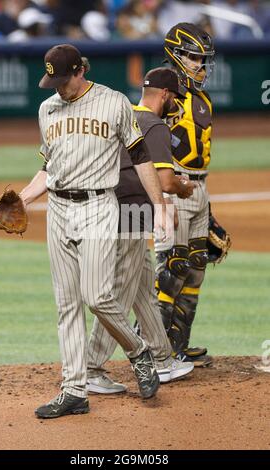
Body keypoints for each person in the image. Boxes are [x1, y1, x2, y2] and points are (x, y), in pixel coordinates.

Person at [19, 44, 173, 419]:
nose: (56, 87)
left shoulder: (113, 102)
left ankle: (138, 353)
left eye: (61, 80)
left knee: (97, 294)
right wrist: (23, 198)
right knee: (67, 303)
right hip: (58, 208)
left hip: (98, 206)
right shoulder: (48, 109)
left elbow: (139, 157)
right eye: (51, 80)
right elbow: (48, 167)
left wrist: (161, 207)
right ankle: (74, 389)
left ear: (78, 71)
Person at [87, 67, 196, 394]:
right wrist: (182, 189)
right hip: (132, 212)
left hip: (108, 206)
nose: (176, 101)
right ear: (165, 95)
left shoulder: (122, 115)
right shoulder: (155, 125)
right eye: (174, 96)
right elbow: (163, 180)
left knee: (142, 290)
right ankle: (91, 367)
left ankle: (162, 360)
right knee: (120, 290)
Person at [155, 22, 215, 367]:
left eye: (204, 59)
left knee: (194, 268)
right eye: (194, 58)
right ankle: (153, 354)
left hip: (199, 188)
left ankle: (178, 345)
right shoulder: (164, 96)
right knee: (170, 270)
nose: (201, 66)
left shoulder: (202, 98)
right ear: (175, 56)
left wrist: (210, 209)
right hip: (173, 188)